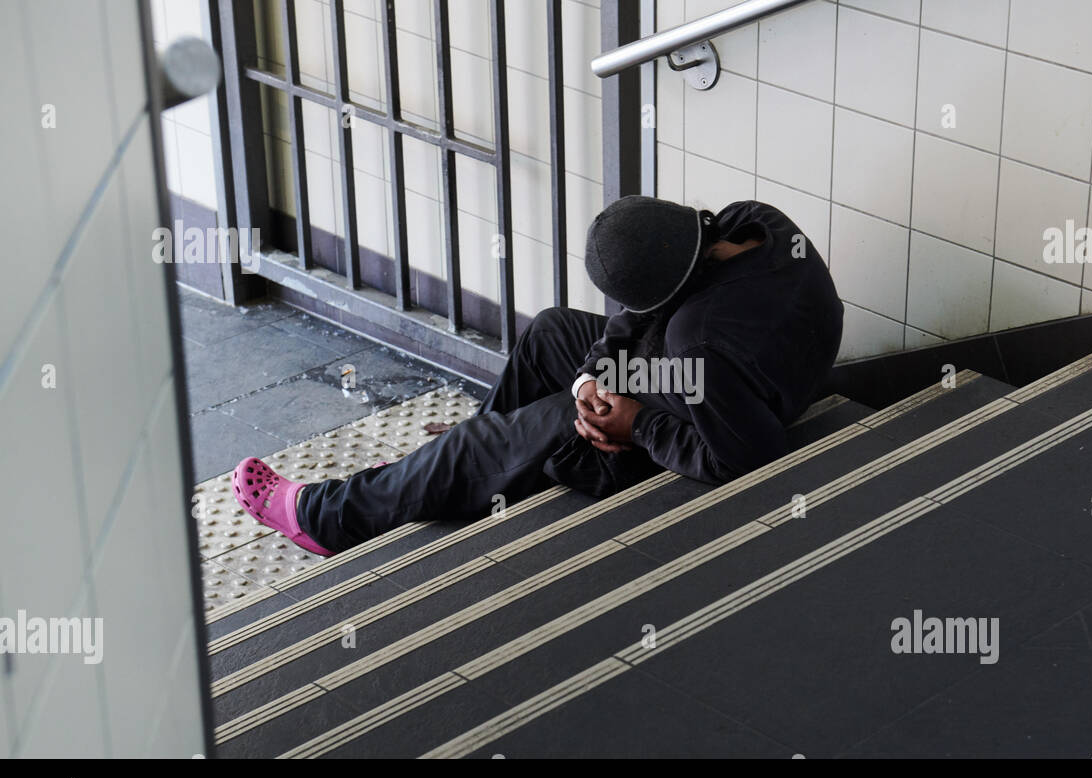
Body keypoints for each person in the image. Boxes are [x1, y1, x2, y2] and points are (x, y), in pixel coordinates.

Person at [231, 196, 844, 555]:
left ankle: (324, 516)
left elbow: (752, 460)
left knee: (500, 440)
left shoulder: (699, 341)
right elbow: (636, 322)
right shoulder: (747, 221)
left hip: (701, 401)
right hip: (719, 368)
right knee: (553, 330)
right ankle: (472, 452)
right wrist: (588, 381)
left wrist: (640, 424)